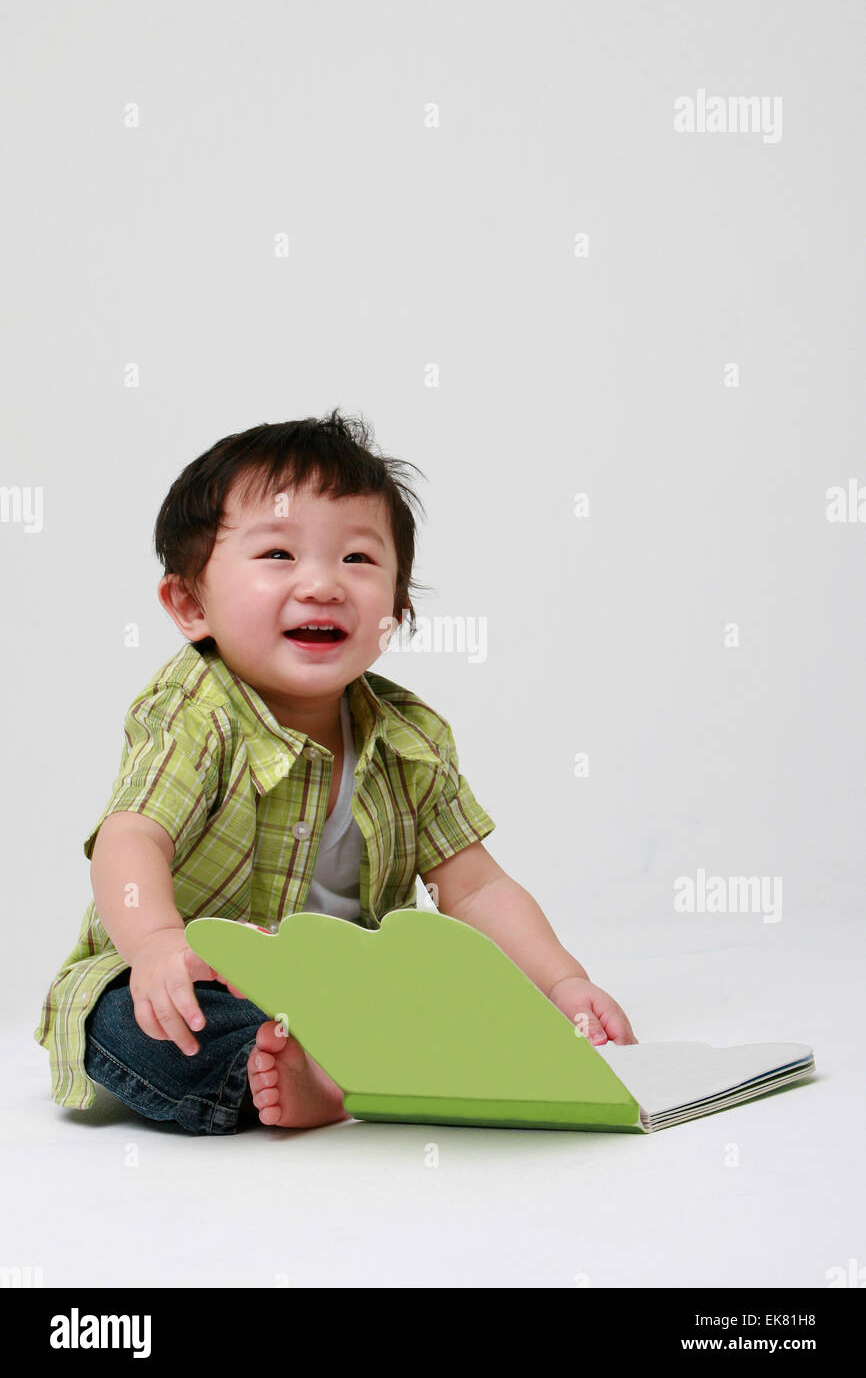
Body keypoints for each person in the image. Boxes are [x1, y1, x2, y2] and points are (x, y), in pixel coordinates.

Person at [34, 409, 637, 1135]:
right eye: (279, 556)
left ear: (398, 607)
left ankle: (347, 1062)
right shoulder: (195, 715)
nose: (323, 584)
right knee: (136, 1022)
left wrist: (563, 982)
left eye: (357, 559)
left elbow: (477, 890)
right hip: (202, 978)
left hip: (350, 995)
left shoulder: (412, 739)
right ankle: (305, 1075)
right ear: (191, 603)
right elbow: (133, 838)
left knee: (454, 983)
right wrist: (158, 942)